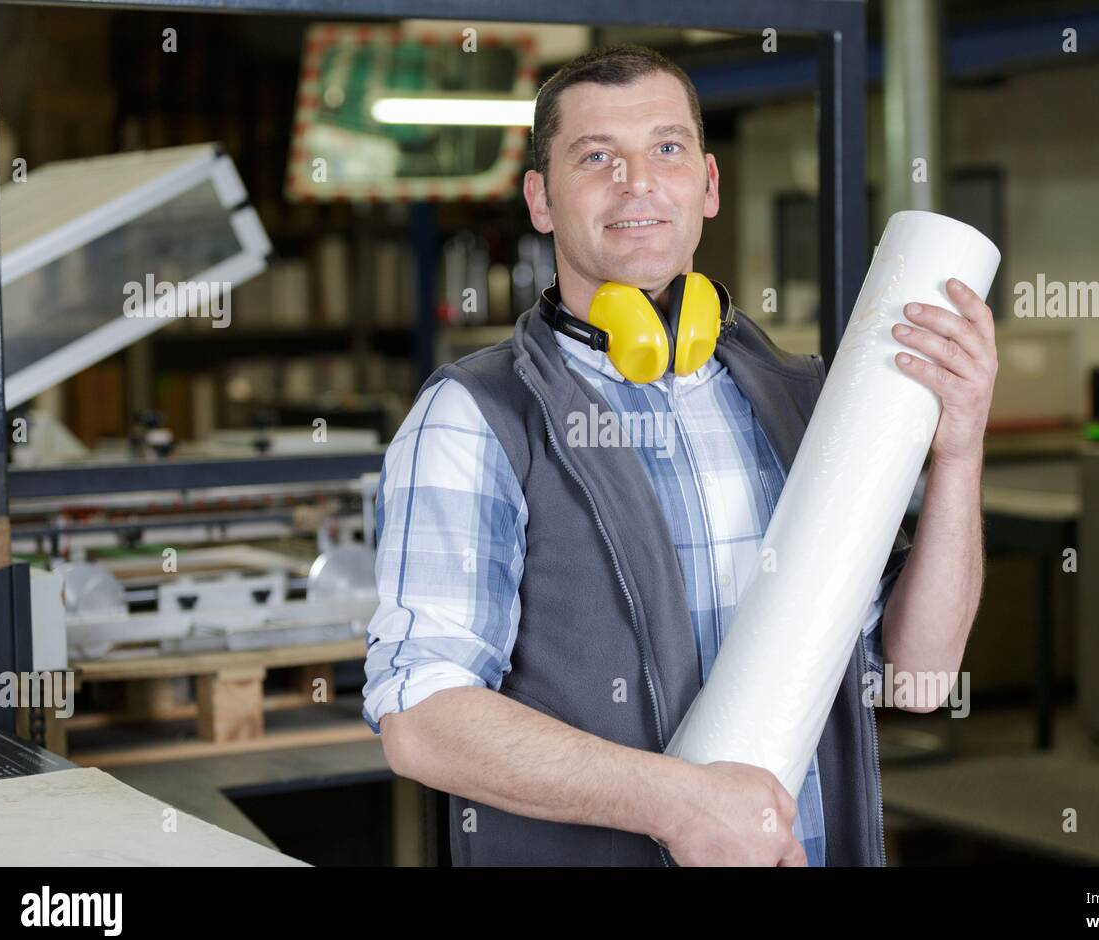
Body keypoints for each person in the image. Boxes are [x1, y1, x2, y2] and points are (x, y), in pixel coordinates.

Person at [363, 44, 998, 866]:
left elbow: (918, 677)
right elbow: (422, 719)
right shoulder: (476, 417)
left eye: (666, 149)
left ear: (708, 185)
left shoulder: (806, 401)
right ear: (541, 200)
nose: (638, 183)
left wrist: (958, 454)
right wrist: (680, 804)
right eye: (596, 157)